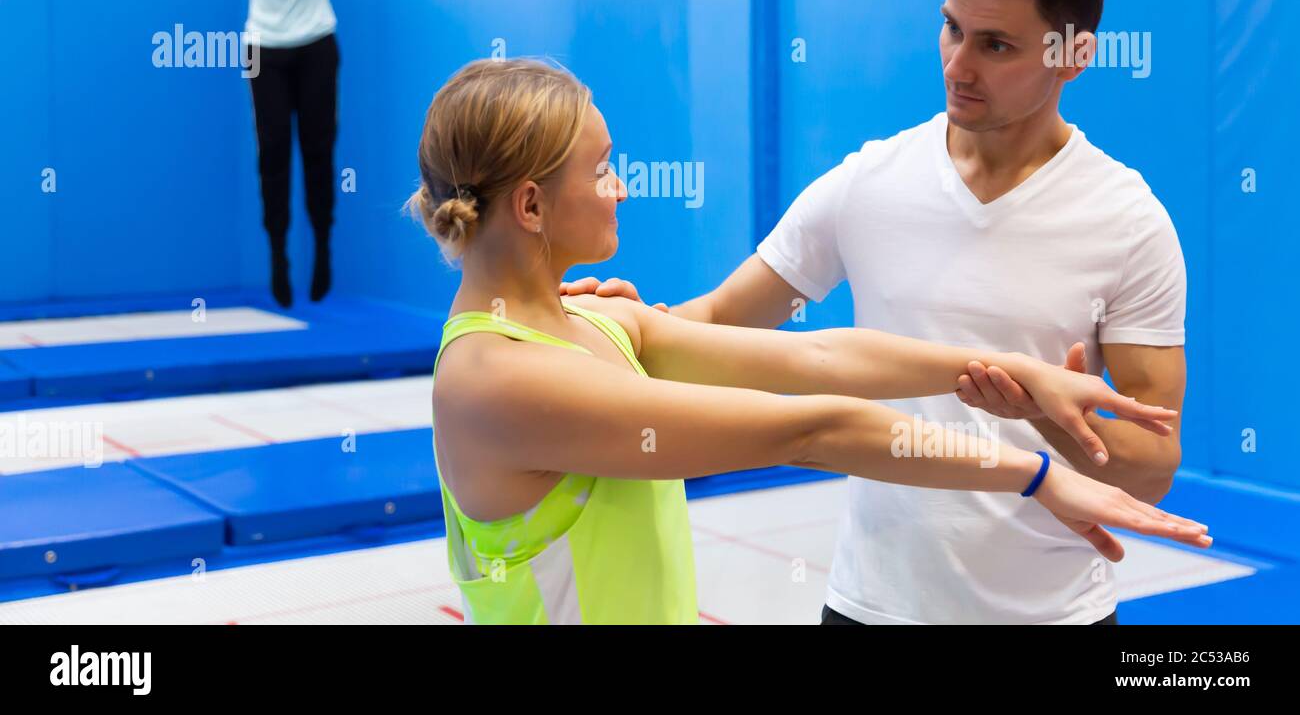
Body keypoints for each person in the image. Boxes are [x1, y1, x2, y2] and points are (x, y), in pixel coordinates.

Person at [411, 56, 1208, 625]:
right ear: (531, 207)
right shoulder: (497, 380)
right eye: (602, 169)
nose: (619, 186)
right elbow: (813, 426)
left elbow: (821, 356)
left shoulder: (593, 321)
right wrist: (1033, 473)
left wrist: (1018, 372)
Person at [563, 0, 1190, 625]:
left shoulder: (1129, 221)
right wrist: (622, 326)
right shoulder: (870, 183)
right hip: (872, 607)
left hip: (1053, 616)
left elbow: (1153, 468)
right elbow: (716, 325)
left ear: (1074, 55)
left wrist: (1045, 417)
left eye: (995, 45)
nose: (958, 65)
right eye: (952, 28)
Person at [71, 0, 489, 307]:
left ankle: (323, 248)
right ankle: (277, 254)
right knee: (272, 152)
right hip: (264, 46)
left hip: (317, 42)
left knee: (318, 152)